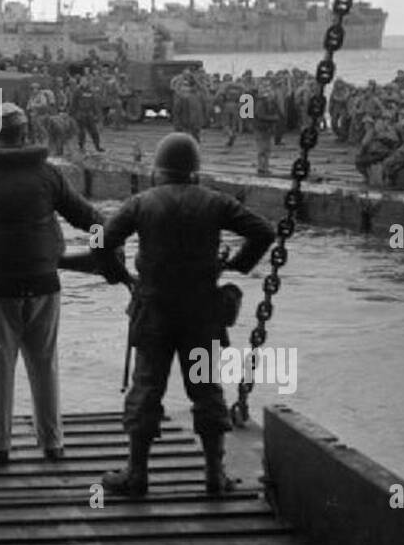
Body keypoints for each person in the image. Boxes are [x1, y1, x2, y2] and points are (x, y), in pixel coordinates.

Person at [96, 133, 275, 497]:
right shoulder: (216, 202)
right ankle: (214, 475)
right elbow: (264, 232)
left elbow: (103, 243)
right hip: (201, 314)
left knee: (146, 389)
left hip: (153, 312)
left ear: (158, 169)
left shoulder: (141, 203)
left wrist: (120, 276)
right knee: (206, 389)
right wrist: (237, 264)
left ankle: (138, 474)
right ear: (195, 170)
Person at [0, 102, 102, 463]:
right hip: (45, 284)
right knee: (45, 364)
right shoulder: (47, 174)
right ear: (24, 133)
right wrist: (112, 236)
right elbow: (85, 216)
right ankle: (52, 442)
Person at [253, 80, 280, 176]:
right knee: (262, 149)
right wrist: (274, 118)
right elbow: (260, 115)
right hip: (261, 128)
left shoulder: (271, 103)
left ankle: (265, 168)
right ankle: (262, 168)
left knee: (267, 149)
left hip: (267, 129)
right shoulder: (261, 102)